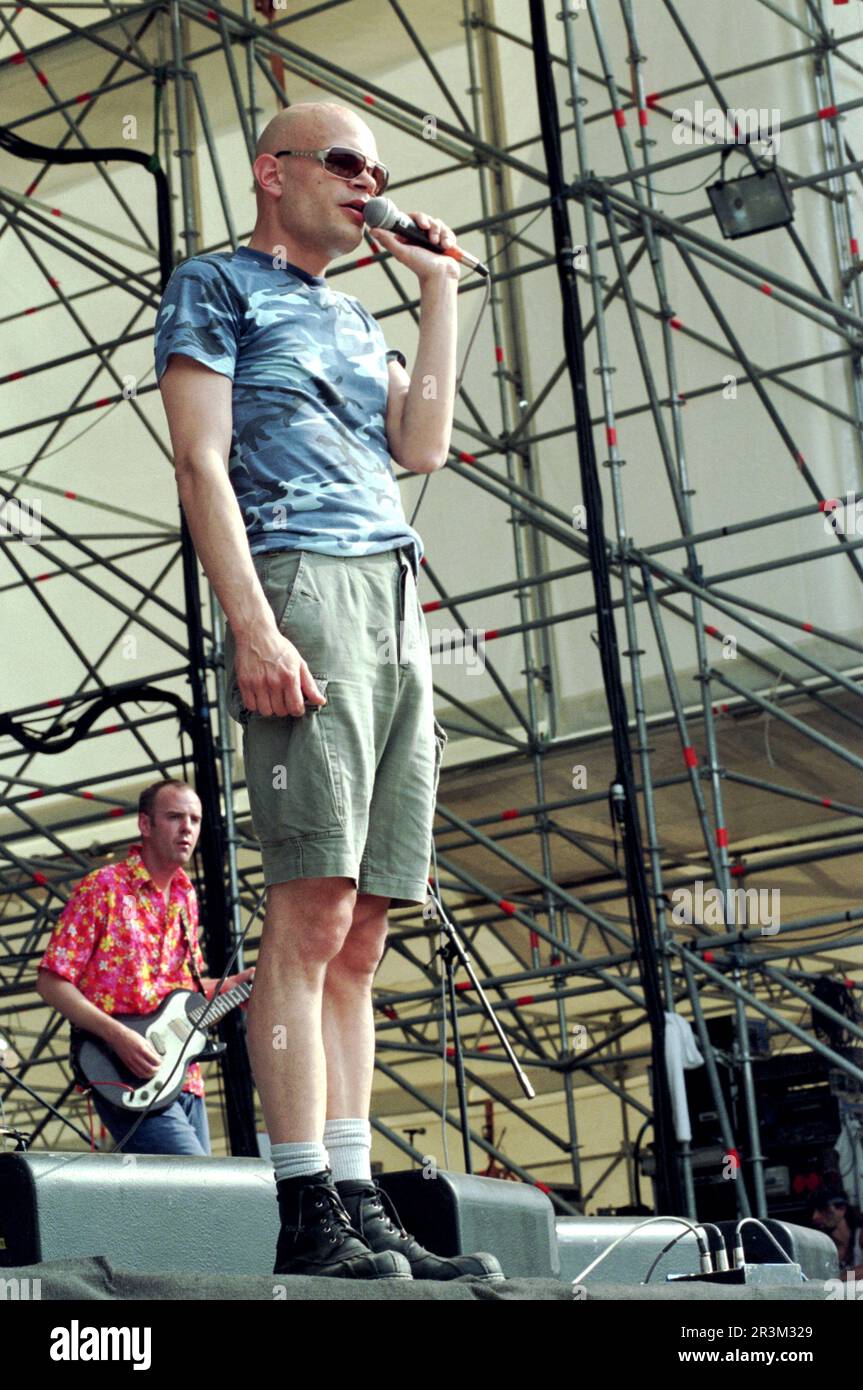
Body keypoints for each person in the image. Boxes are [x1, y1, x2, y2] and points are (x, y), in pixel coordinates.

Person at [155, 101, 502, 1281]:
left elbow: (421, 446)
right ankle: (304, 1200)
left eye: (380, 171)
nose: (368, 184)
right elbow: (200, 461)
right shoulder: (218, 286)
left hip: (394, 597)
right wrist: (251, 623)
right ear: (274, 172)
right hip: (298, 582)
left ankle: (355, 1193)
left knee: (363, 925)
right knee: (308, 907)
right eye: (346, 164)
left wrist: (441, 290)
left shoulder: (357, 314)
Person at [36, 778, 254, 1155]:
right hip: (121, 1071)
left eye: (195, 820)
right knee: (199, 1190)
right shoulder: (103, 887)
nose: (187, 828)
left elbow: (188, 987)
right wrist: (119, 1036)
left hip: (183, 1075)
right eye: (174, 817)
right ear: (145, 824)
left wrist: (236, 984)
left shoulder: (186, 894)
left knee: (196, 1197)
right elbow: (51, 981)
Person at [810, 1190, 863, 1280]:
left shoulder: (860, 1235)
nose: (815, 1217)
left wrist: (840, 1278)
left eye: (821, 1209)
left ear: (841, 1209)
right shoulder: (825, 1247)